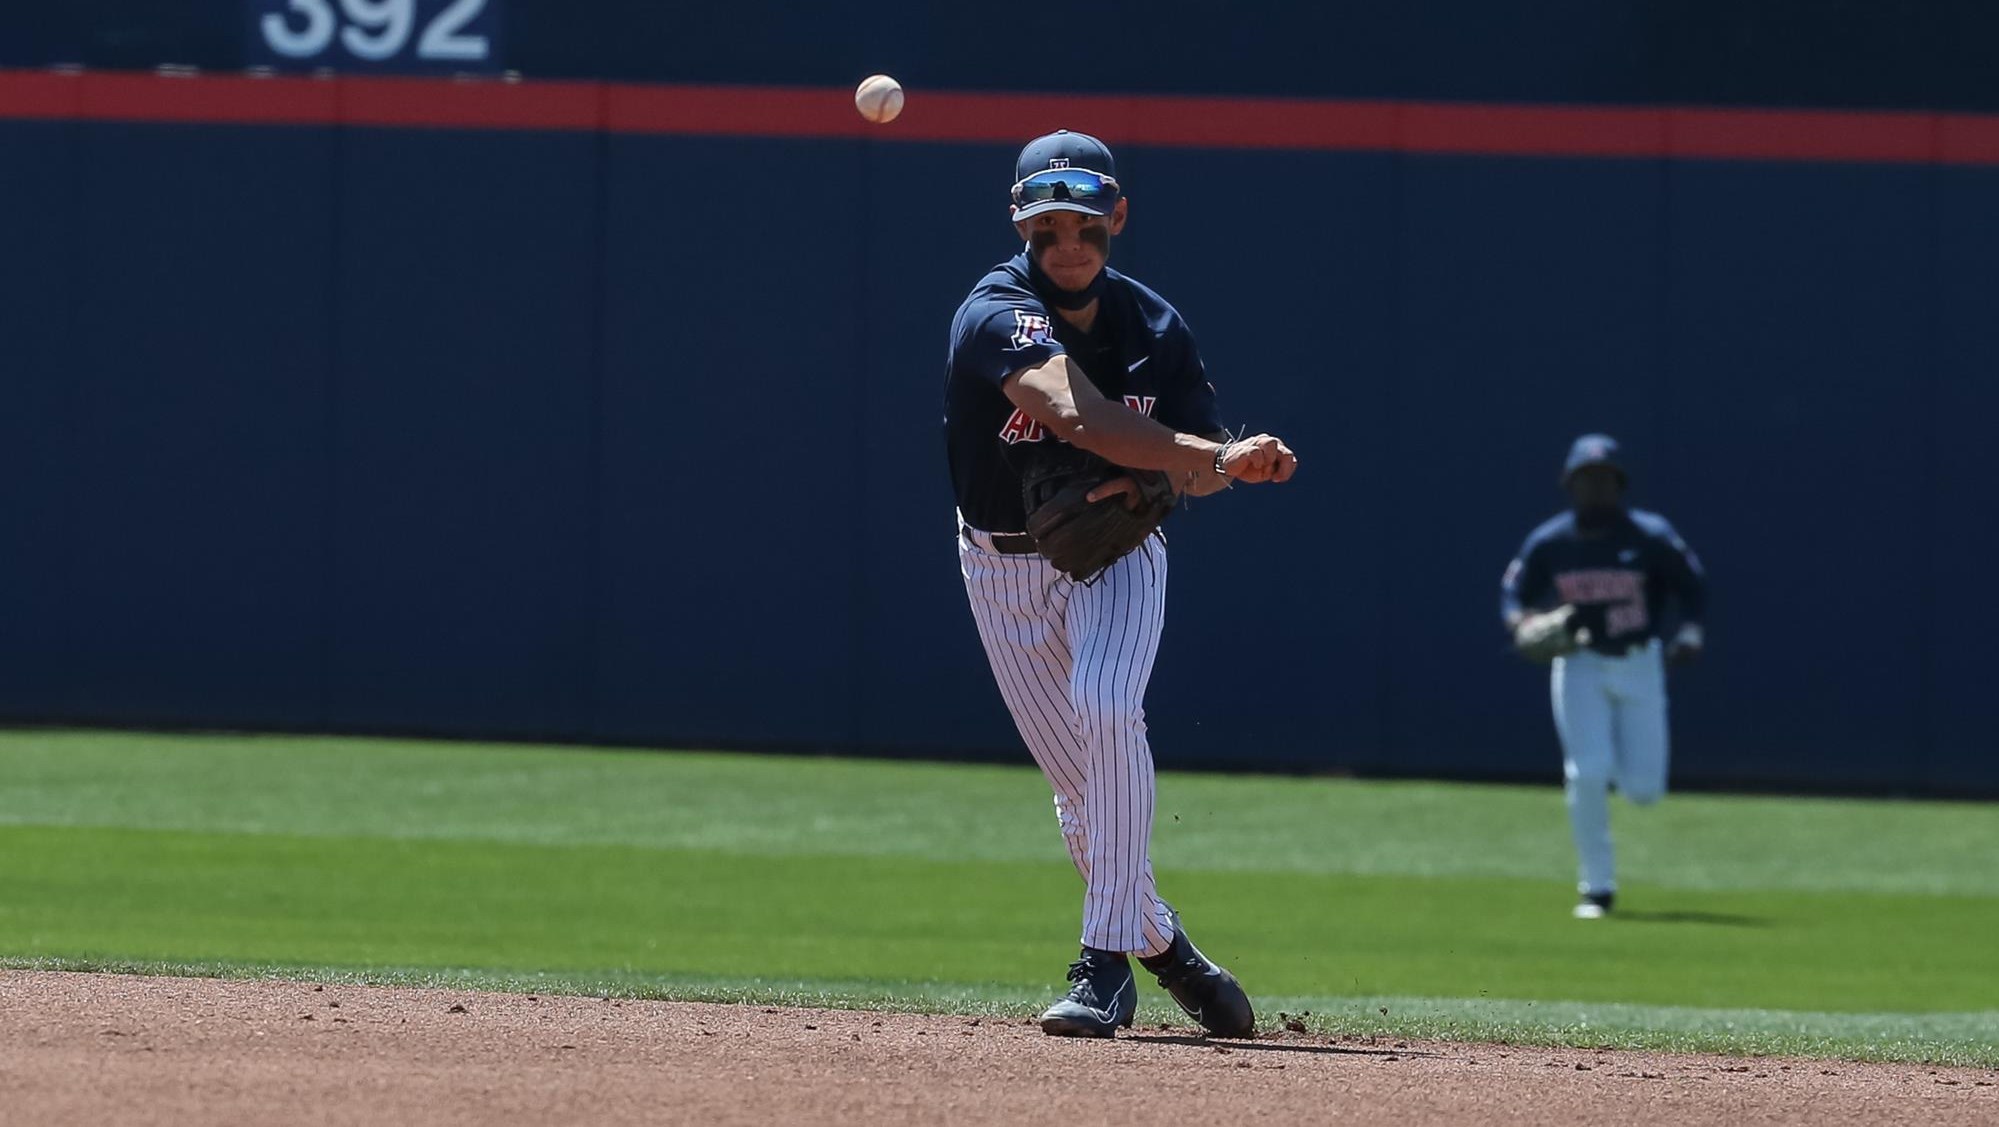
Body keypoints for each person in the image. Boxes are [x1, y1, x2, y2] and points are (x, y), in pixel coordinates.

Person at [942, 130, 1297, 1037]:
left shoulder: (1154, 326)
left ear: (1117, 220)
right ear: (1019, 224)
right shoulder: (996, 309)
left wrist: (1220, 465)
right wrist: (1206, 456)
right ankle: (1168, 949)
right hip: (1002, 567)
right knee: (1083, 794)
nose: (1068, 244)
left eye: (1086, 226)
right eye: (1048, 226)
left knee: (1106, 707)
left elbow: (1199, 470)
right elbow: (1076, 414)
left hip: (1119, 558)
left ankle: (1103, 968)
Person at [1500, 434, 1707, 919]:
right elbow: (1512, 594)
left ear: (1619, 484)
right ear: (1570, 484)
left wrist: (1692, 632)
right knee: (1586, 773)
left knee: (1644, 791)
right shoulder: (1551, 541)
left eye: (1604, 479)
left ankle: (1614, 767)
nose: (1595, 487)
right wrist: (1521, 623)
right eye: (1586, 478)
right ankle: (1597, 888)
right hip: (1580, 663)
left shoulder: (1650, 537)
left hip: (1639, 662)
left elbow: (1693, 586)